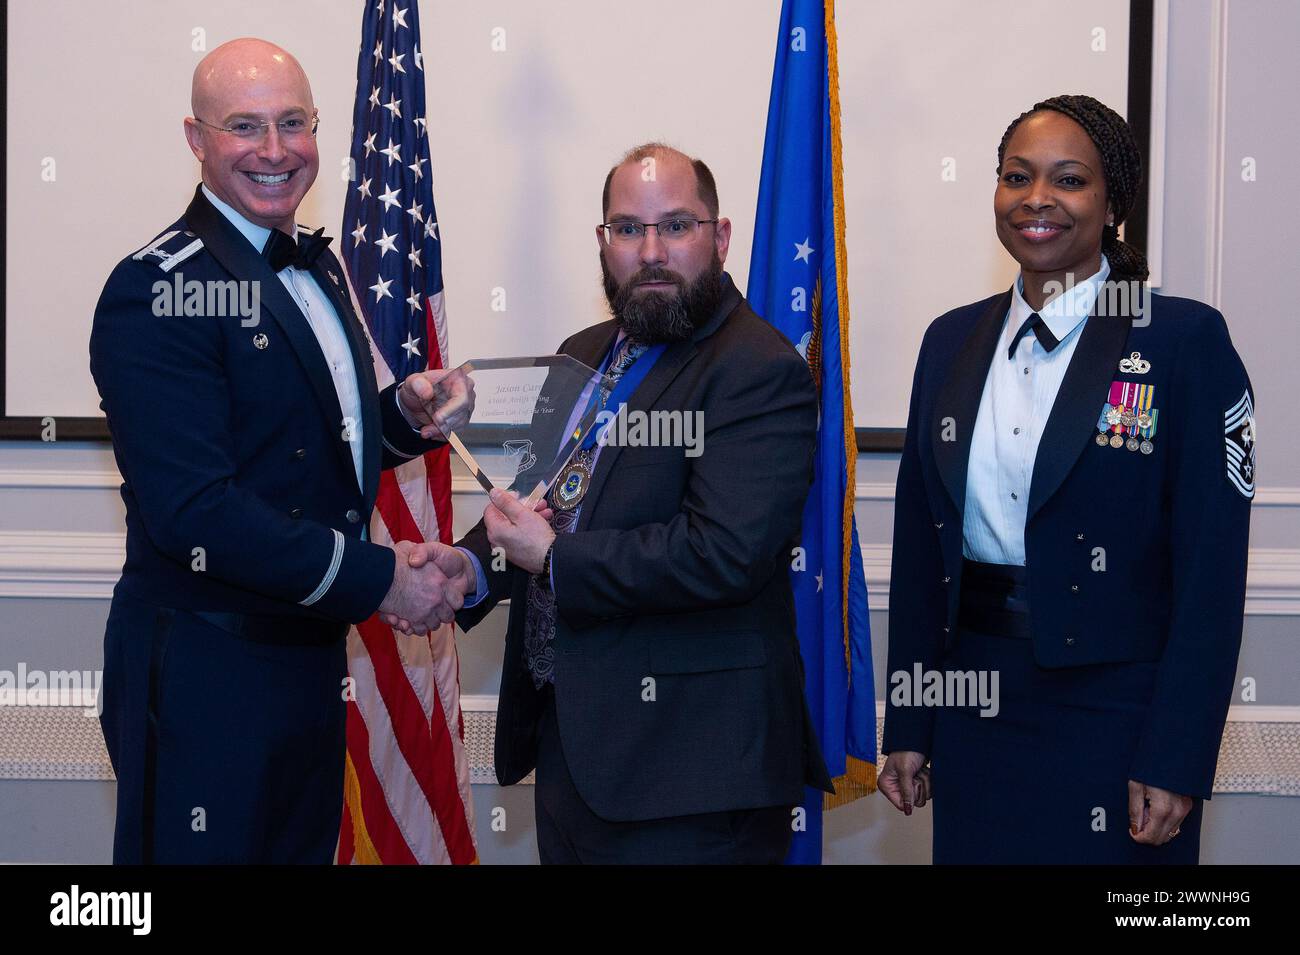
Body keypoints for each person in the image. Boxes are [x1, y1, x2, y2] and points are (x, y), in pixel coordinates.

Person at [89, 38, 475, 864]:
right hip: (206, 669)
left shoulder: (316, 262)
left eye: (293, 123)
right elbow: (196, 509)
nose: (274, 151)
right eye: (244, 127)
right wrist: (384, 582)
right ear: (196, 139)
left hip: (305, 661)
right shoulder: (157, 286)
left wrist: (400, 417)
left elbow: (294, 452)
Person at [402, 143, 833, 863]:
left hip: (690, 774)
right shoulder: (586, 349)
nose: (652, 251)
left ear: (720, 237)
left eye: (677, 226)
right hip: (574, 752)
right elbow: (547, 499)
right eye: (628, 229)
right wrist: (469, 568)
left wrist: (558, 558)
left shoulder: (758, 367)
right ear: (603, 243)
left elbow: (723, 552)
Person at [878, 95, 1255, 864]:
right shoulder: (947, 341)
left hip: (1118, 724)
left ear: (1113, 201)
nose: (1037, 199)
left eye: (1069, 179)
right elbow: (922, 550)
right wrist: (911, 721)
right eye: (1017, 176)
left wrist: (1175, 755)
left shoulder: (1183, 341)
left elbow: (1211, 575)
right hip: (974, 710)